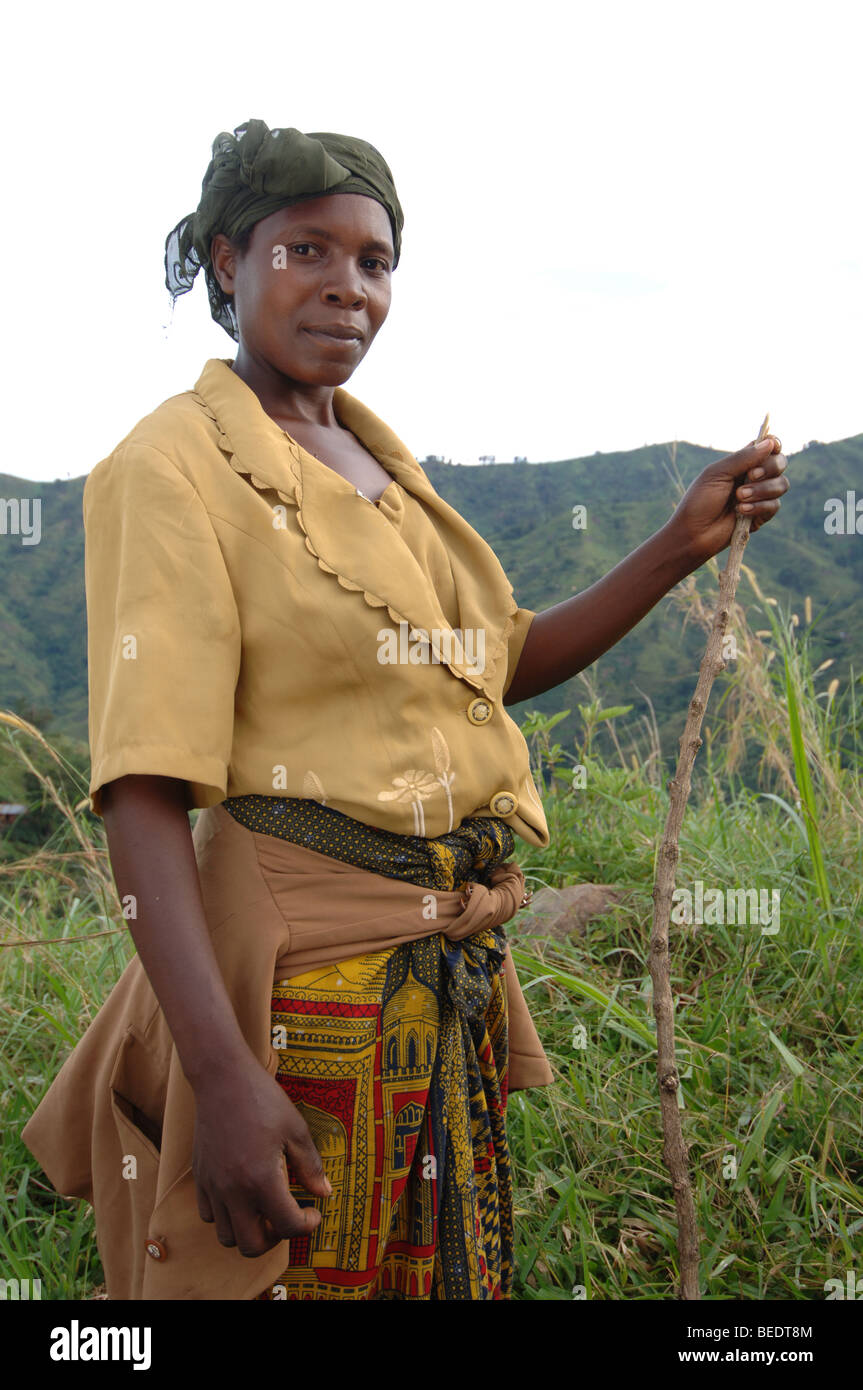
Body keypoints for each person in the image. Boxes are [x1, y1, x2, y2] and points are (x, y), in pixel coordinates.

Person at [21, 120, 788, 1302]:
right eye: (306, 252)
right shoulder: (170, 466)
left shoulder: (378, 468)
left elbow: (496, 662)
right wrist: (224, 1078)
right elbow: (141, 788)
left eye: (373, 261)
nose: (347, 287)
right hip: (298, 998)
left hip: (437, 973)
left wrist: (677, 544)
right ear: (228, 262)